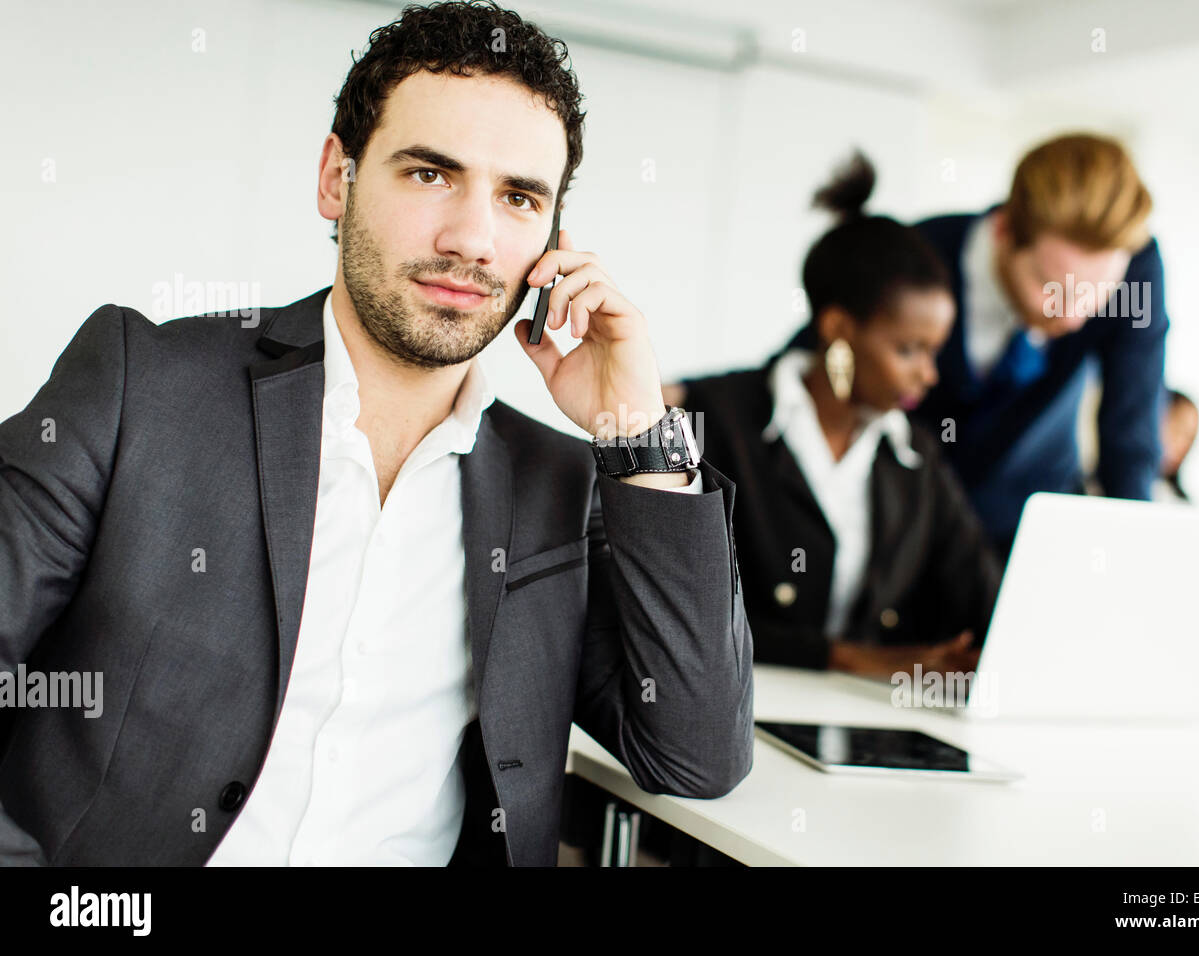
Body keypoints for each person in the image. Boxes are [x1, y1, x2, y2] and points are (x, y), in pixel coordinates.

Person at [0, 0, 753, 867]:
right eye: (430, 173)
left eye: (518, 196)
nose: (472, 238)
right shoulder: (142, 386)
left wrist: (639, 429)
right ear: (337, 177)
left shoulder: (557, 487)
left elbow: (695, 757)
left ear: (552, 238)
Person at [663, 151, 1003, 680]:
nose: (929, 376)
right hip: (718, 709)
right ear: (840, 327)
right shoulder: (711, 418)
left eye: (934, 351)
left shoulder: (912, 455)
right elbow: (673, 604)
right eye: (910, 350)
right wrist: (843, 658)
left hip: (852, 723)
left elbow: (978, 591)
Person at [787, 134, 1169, 555]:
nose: (1073, 316)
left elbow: (1130, 433)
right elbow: (809, 362)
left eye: (1097, 293)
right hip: (902, 526)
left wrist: (1134, 558)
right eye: (1051, 287)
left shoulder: (1138, 267)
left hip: (1030, 523)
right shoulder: (917, 254)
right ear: (1004, 229)